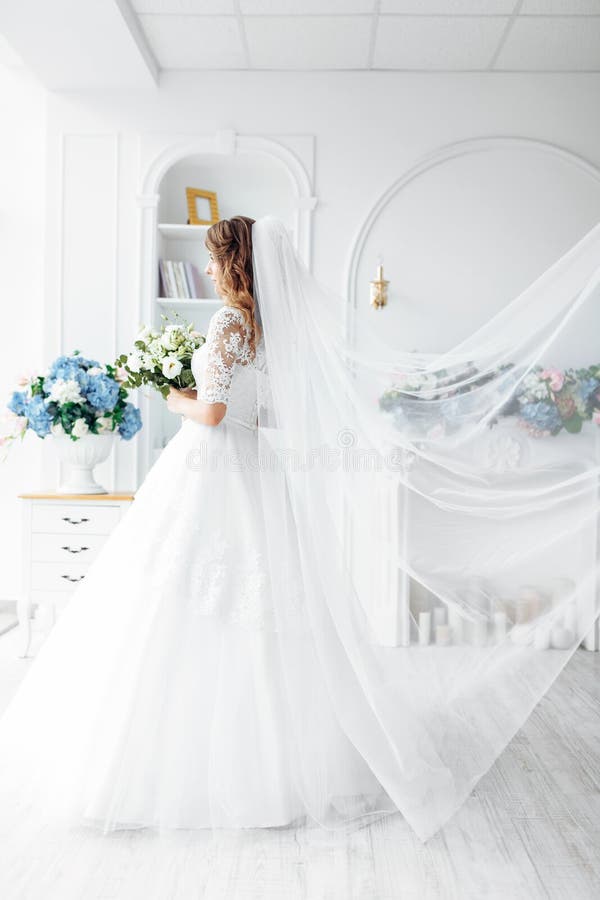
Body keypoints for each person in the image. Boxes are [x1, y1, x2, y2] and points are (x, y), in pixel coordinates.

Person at [0, 213, 600, 851]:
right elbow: (272, 409)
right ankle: (287, 759)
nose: (205, 267)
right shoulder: (269, 326)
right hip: (251, 467)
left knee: (188, 592)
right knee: (250, 595)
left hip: (212, 466)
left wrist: (174, 399)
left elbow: (214, 411)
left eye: (212, 256)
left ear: (233, 261)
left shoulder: (230, 319)